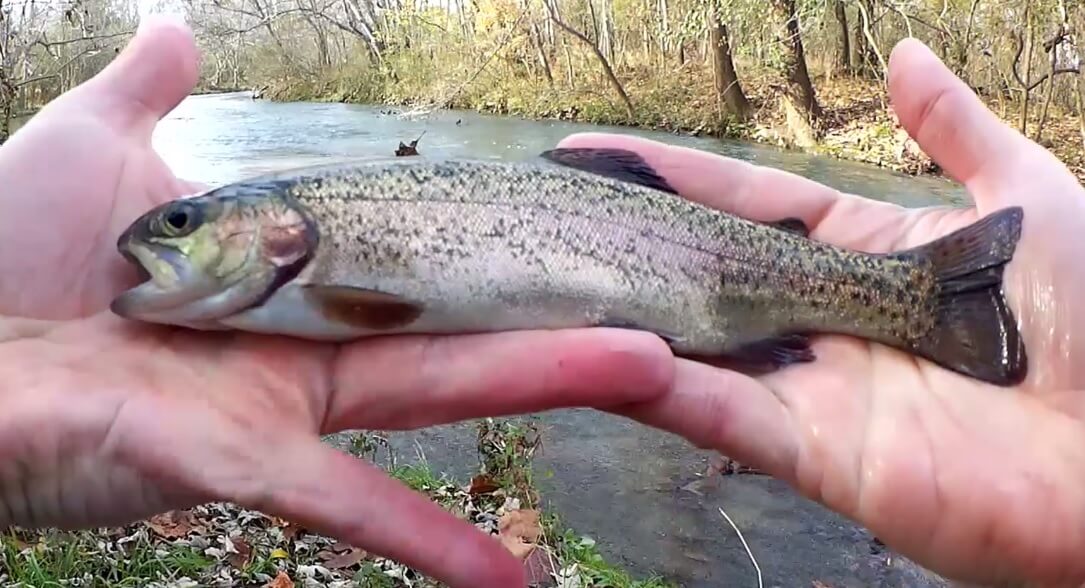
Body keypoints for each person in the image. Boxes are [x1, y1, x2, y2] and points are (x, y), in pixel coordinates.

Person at [1, 14, 1083, 588]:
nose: (153, 246)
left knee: (709, 323)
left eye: (179, 227)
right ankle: (912, 301)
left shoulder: (311, 256)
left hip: (692, 267)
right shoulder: (299, 257)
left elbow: (374, 311)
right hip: (682, 269)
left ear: (270, 231)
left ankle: (917, 298)